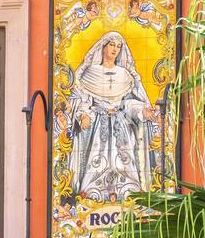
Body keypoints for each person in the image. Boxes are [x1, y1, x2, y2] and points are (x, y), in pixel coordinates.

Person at [67, 31, 157, 203]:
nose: (115, 49)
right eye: (112, 45)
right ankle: (92, 194)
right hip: (97, 125)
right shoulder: (90, 73)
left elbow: (129, 103)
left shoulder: (125, 75)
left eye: (119, 46)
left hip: (121, 125)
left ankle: (128, 191)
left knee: (124, 159)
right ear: (103, 46)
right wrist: (83, 115)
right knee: (96, 161)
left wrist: (141, 111)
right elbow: (83, 101)